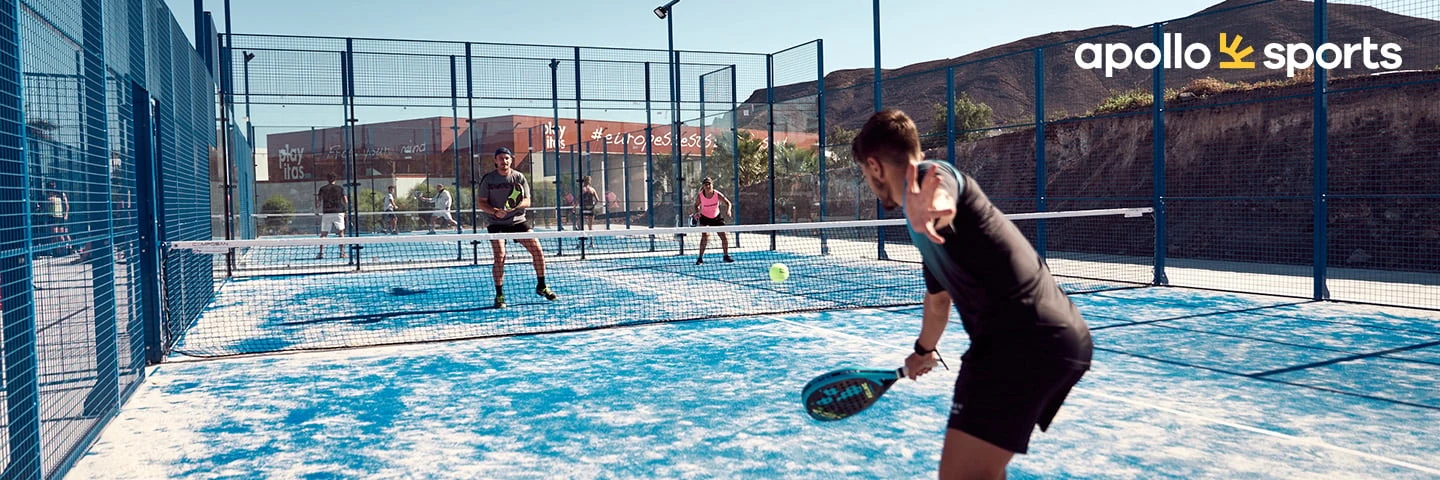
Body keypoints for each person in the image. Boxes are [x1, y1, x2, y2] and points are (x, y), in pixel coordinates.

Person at [851, 109, 1092, 480]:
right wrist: (922, 352)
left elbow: (945, 194)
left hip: (1020, 341)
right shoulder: (919, 227)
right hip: (1045, 337)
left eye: (865, 174)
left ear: (875, 166)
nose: (868, 182)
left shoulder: (934, 176)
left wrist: (937, 210)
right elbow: (938, 301)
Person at [476, 147, 559, 308]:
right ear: (495, 161)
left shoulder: (519, 177)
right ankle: (499, 295)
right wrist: (494, 211)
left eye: (506, 158)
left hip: (517, 221)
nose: (503, 161)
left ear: (511, 160)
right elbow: (481, 202)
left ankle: (541, 286)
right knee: (500, 256)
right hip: (496, 223)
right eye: (500, 158)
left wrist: (514, 207)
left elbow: (527, 200)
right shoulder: (488, 179)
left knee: (537, 250)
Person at [692, 177, 733, 265]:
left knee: (724, 237)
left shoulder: (717, 194)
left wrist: (728, 210)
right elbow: (696, 205)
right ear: (703, 186)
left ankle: (726, 256)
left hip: (716, 217)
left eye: (709, 184)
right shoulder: (700, 195)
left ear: (712, 185)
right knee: (705, 237)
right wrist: (697, 213)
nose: (708, 186)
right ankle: (700, 258)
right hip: (704, 217)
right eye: (706, 184)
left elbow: (728, 203)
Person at [315, 173, 348, 259]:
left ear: (327, 179)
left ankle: (321, 253)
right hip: (338, 212)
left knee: (324, 234)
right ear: (335, 179)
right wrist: (345, 210)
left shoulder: (322, 189)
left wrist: (317, 207)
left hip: (327, 212)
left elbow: (318, 203)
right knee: (341, 232)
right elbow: (346, 201)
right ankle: (342, 253)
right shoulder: (340, 188)